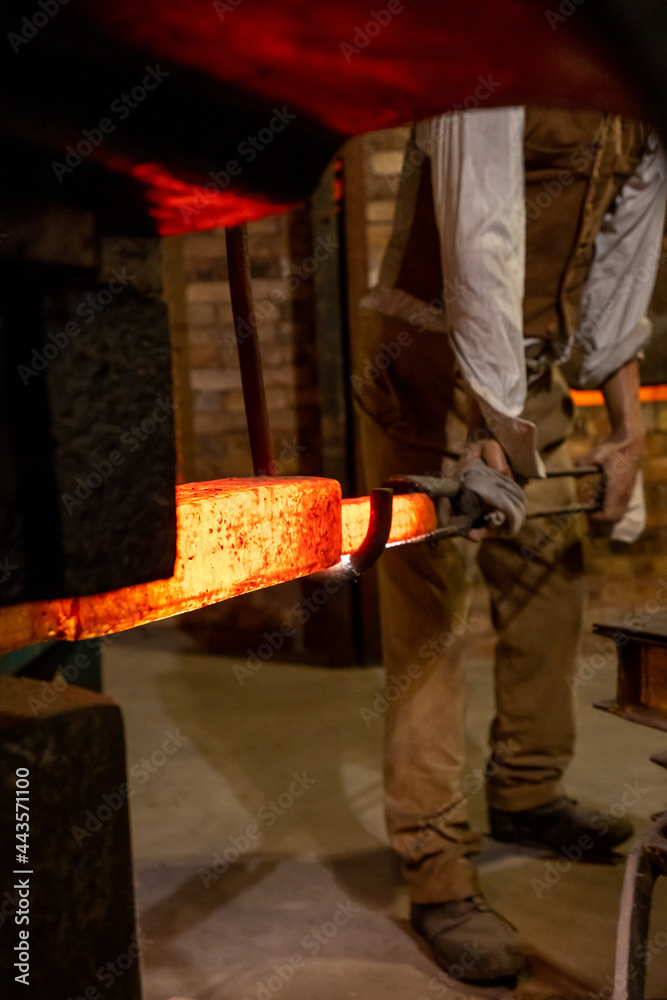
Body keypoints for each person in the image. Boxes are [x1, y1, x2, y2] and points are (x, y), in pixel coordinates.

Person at [353, 106, 667, 983]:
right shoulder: (494, 59)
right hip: (425, 359)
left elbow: (618, 272)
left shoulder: (637, 93)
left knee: (548, 577)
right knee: (430, 617)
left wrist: (627, 431)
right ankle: (436, 866)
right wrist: (492, 425)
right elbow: (479, 239)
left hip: (525, 367)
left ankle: (526, 792)